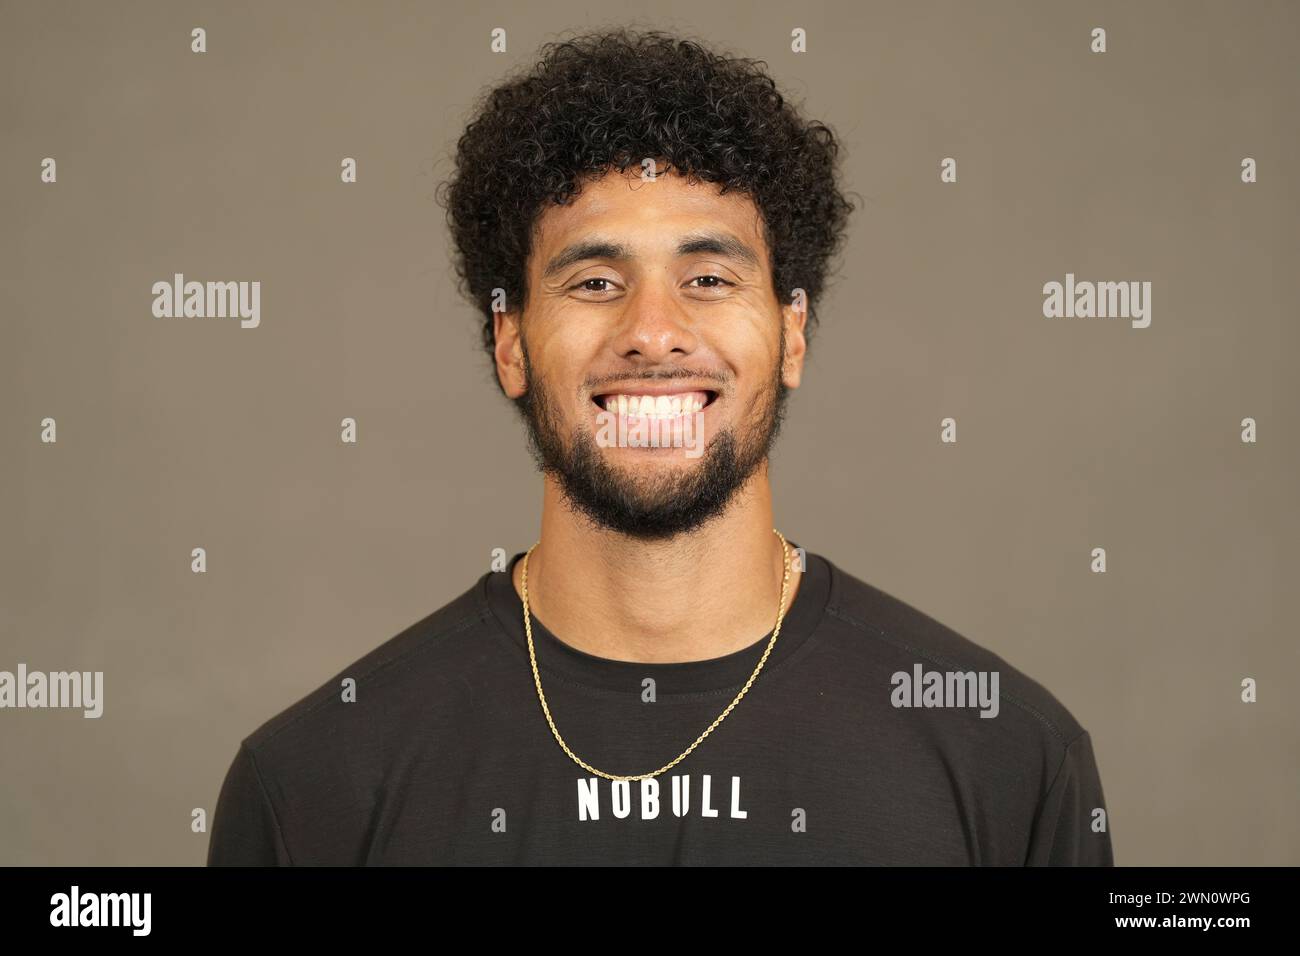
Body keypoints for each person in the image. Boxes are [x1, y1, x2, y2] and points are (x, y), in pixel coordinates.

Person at [208, 28, 1112, 866]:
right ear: (511, 343)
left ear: (792, 335)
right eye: (595, 280)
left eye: (709, 278)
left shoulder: (1007, 758)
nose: (653, 331)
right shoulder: (316, 783)